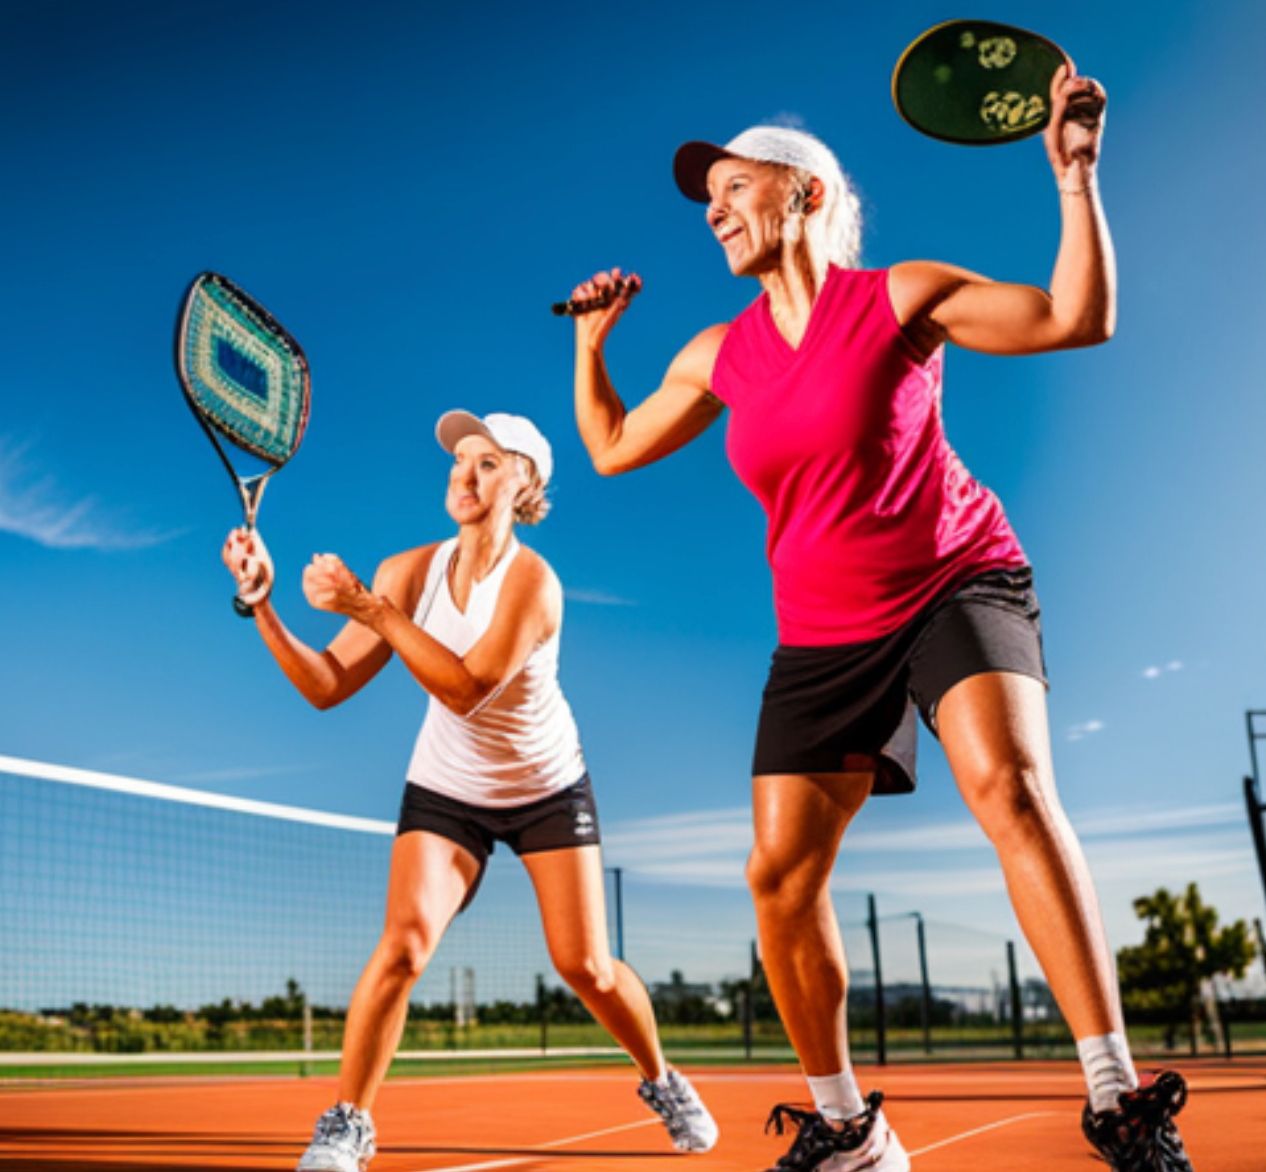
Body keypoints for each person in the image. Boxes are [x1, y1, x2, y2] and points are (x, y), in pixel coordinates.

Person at [567, 67, 1193, 1172]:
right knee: (779, 877)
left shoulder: (901, 296)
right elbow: (613, 448)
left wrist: (1075, 179)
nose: (711, 208)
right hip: (822, 633)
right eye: (705, 194)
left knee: (1011, 785)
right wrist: (591, 345)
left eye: (732, 185)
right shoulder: (719, 354)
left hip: (957, 578)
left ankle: (1117, 1096)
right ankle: (850, 1129)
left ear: (803, 194)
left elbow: (1075, 317)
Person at [222, 410, 717, 1172]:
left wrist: (368, 609)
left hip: (547, 786)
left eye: (489, 463)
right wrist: (263, 605)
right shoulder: (404, 574)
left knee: (585, 966)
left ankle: (663, 1078)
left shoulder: (534, 585)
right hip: (448, 786)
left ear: (526, 484)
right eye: (460, 461)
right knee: (404, 946)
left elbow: (467, 688)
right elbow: (325, 686)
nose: (466, 474)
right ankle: (347, 1122)